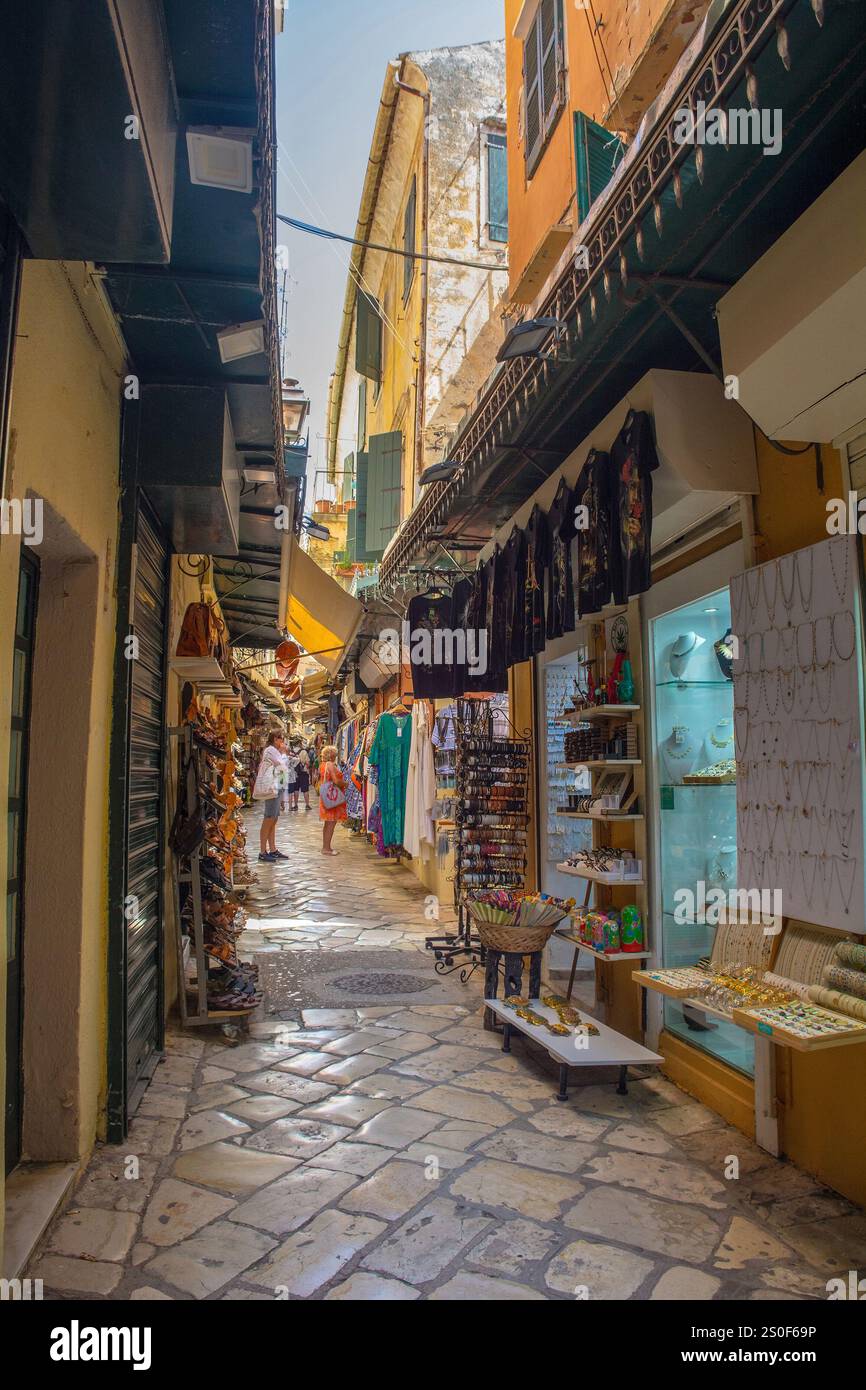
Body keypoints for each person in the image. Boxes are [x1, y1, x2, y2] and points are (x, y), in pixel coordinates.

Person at [252, 731, 289, 862]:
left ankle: (273, 849)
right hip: (272, 787)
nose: (282, 742)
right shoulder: (271, 750)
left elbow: (283, 772)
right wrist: (284, 754)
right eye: (281, 739)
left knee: (273, 819)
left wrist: (284, 794)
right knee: (269, 818)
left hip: (277, 787)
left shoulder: (275, 751)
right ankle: (262, 851)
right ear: (275, 739)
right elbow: (282, 766)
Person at [318, 743, 347, 855]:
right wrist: (345, 783)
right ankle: (327, 849)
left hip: (326, 796)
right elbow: (335, 781)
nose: (336, 756)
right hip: (332, 797)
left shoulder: (323, 765)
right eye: (335, 754)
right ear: (331, 755)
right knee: (331, 823)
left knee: (328, 823)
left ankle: (325, 847)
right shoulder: (330, 764)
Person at [295, 744, 311, 809]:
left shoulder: (296, 759)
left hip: (297, 775)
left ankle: (296, 805)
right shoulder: (306, 760)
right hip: (304, 775)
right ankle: (307, 805)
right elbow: (308, 766)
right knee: (305, 790)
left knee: (296, 790)